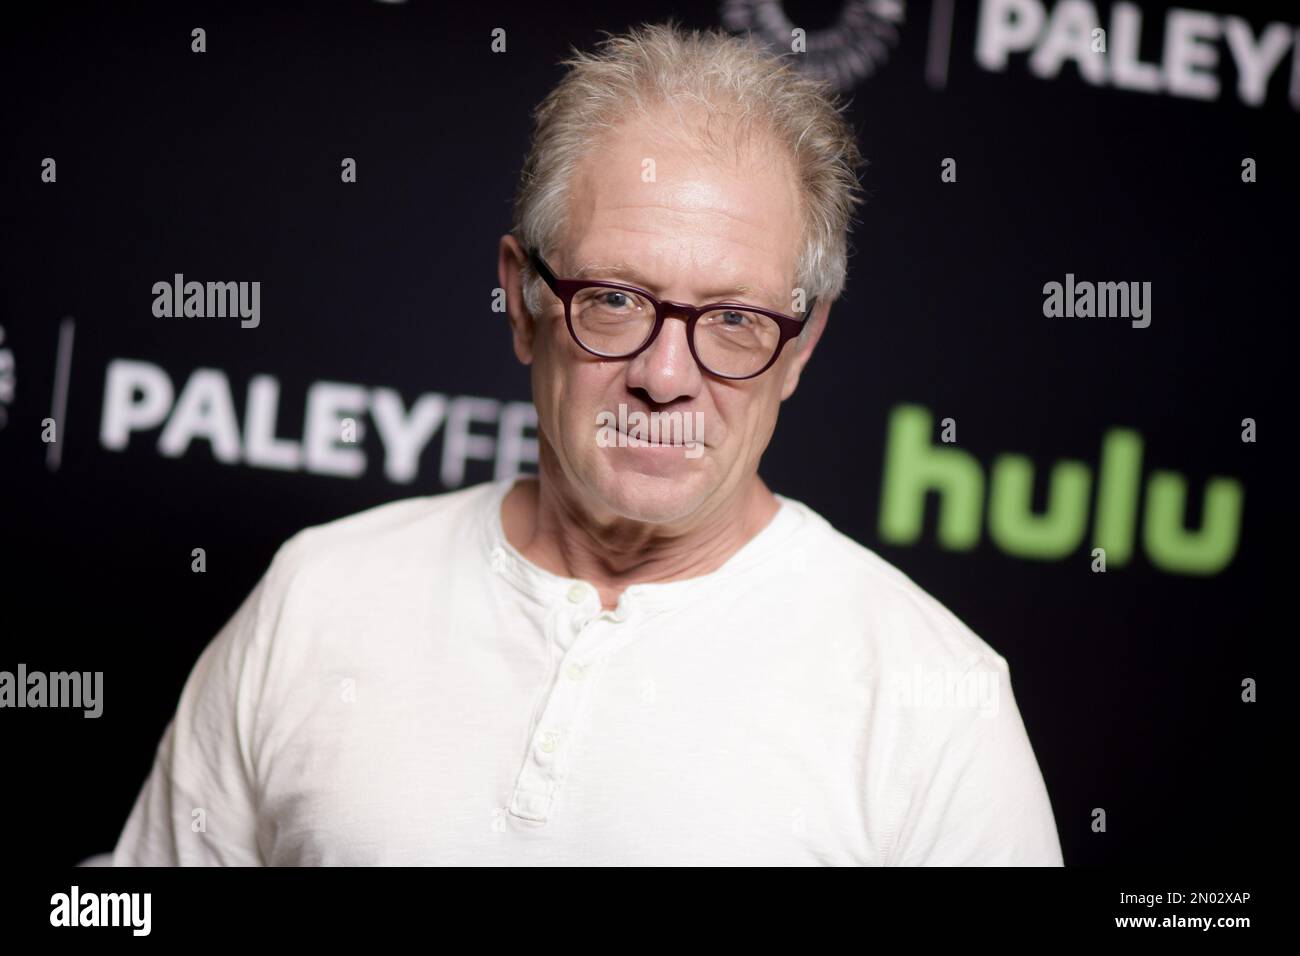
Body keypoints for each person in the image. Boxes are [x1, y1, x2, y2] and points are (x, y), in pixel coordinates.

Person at [112, 20, 1063, 866]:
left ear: (801, 347)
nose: (665, 375)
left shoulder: (937, 705)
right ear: (524, 300)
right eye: (615, 300)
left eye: (734, 319)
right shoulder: (317, 596)